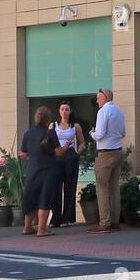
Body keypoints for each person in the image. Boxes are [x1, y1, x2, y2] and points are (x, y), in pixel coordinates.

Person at [88, 87, 125, 233]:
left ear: (105, 97)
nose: (97, 100)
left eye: (98, 97)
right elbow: (123, 133)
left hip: (105, 153)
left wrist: (92, 133)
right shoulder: (119, 111)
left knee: (102, 187)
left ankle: (104, 222)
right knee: (114, 187)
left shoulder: (103, 111)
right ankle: (115, 221)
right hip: (117, 151)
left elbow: (100, 134)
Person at [18, 105, 58, 236]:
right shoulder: (50, 133)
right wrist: (67, 146)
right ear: (48, 119)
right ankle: (42, 229)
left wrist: (31, 157)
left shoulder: (28, 133)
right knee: (44, 198)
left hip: (32, 168)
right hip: (47, 169)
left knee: (31, 196)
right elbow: (58, 151)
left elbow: (23, 153)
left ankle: (27, 227)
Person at [50, 101, 85, 228]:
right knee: (55, 188)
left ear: (70, 111)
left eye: (67, 109)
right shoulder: (53, 126)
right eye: (62, 109)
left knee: (70, 188)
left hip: (71, 156)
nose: (64, 111)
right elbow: (47, 142)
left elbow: (82, 143)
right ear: (59, 111)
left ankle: (67, 218)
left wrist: (77, 153)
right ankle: (56, 218)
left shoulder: (75, 126)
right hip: (57, 157)